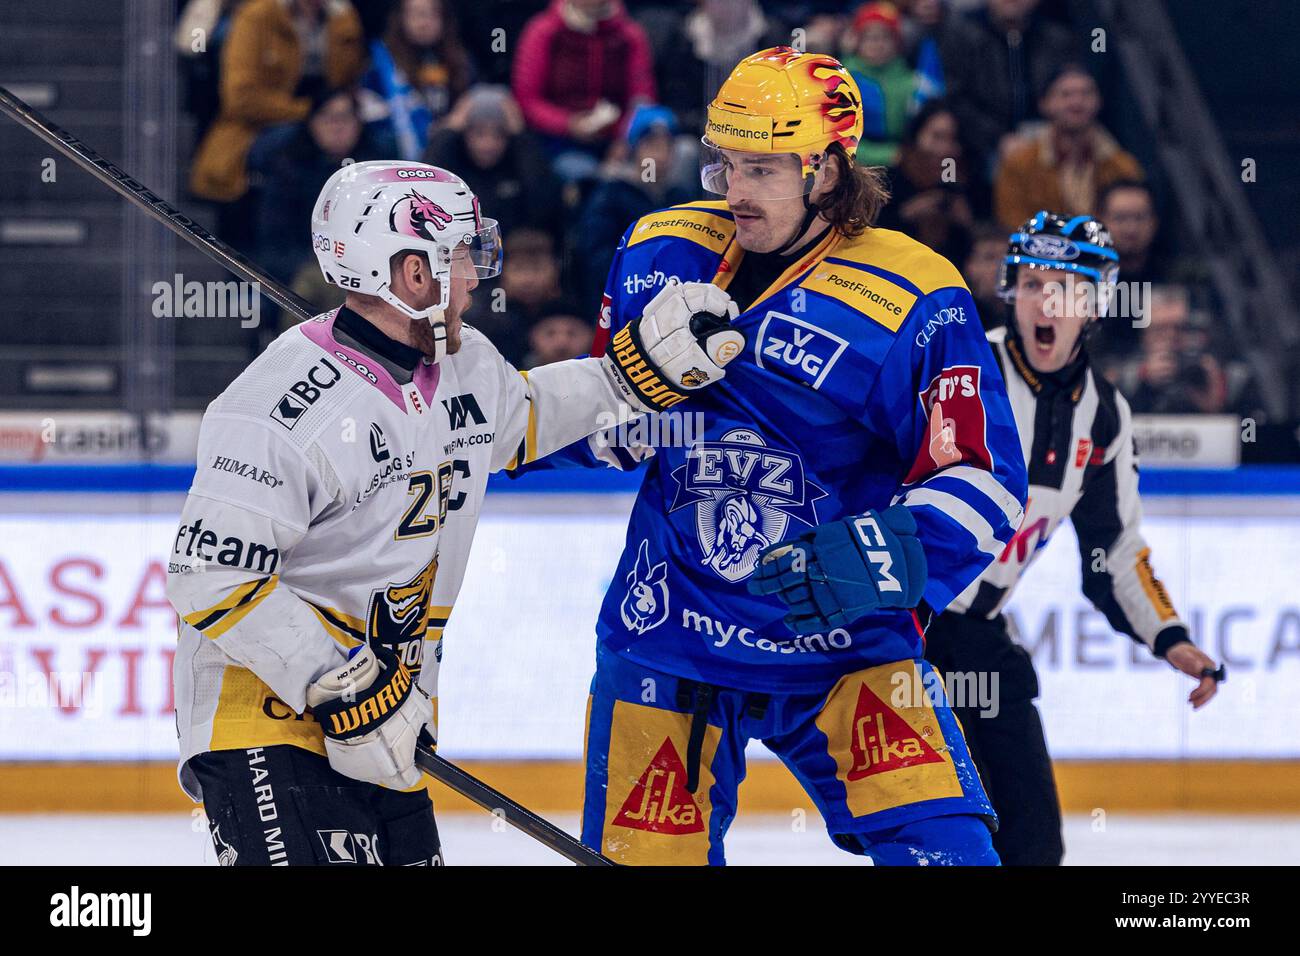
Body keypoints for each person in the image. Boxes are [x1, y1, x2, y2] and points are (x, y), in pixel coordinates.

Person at [164, 159, 741, 866]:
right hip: (270, 714)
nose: (475, 275)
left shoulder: (467, 364)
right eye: (462, 254)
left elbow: (525, 417)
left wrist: (632, 372)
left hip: (390, 715)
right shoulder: (277, 411)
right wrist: (336, 679)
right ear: (411, 274)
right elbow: (209, 572)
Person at [535, 47, 1029, 865]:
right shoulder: (659, 251)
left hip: (846, 647)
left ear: (828, 169)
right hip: (670, 638)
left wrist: (877, 554)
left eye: (762, 168)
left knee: (951, 857)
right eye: (724, 163)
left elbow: (983, 475)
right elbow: (600, 434)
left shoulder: (916, 295)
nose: (733, 190)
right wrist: (630, 387)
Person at [922, 212, 1225, 866]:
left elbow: (1113, 554)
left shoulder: (1105, 416)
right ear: (1012, 291)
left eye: (1067, 288)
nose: (1047, 301)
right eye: (1032, 283)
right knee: (931, 839)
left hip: (977, 639)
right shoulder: (961, 366)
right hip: (900, 633)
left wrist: (1170, 637)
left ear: (1094, 305)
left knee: (1032, 845)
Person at [189, 0, 365, 218]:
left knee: (374, 142)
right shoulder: (256, 16)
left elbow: (351, 79)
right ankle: (284, 242)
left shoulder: (343, 16)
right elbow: (240, 98)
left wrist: (337, 117)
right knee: (292, 146)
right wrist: (310, 113)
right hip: (259, 126)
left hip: (329, 115)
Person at [512, 0, 657, 183]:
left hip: (619, 143)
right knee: (583, 176)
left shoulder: (630, 34)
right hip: (558, 143)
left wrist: (626, 138)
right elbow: (528, 100)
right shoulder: (543, 31)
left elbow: (642, 99)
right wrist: (569, 124)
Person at [993, 63, 1143, 230]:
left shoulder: (1122, 166)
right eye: (1066, 95)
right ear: (1044, 103)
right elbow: (1012, 224)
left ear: (1099, 101)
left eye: (1086, 94)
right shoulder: (1020, 164)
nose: (1077, 102)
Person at [574, 104, 693, 310]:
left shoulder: (681, 197)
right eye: (651, 145)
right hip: (621, 302)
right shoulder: (610, 194)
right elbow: (596, 257)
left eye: (668, 146)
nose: (661, 155)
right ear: (633, 148)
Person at [939, 0, 1078, 174]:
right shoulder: (962, 35)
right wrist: (997, 139)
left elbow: (1071, 92)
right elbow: (953, 98)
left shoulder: (1057, 39)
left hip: (1049, 147)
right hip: (978, 153)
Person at [360, 0, 472, 160]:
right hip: (395, 160)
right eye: (416, 15)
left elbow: (467, 107)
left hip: (450, 156)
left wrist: (446, 129)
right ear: (401, 18)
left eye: (432, 15)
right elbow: (374, 124)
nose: (424, 23)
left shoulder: (459, 61)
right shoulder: (380, 66)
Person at [842, 2, 931, 168]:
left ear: (897, 43)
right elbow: (840, 138)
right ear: (857, 41)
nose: (878, 44)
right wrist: (888, 155)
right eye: (870, 37)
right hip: (856, 163)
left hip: (903, 161)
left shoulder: (912, 82)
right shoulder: (844, 79)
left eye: (885, 37)